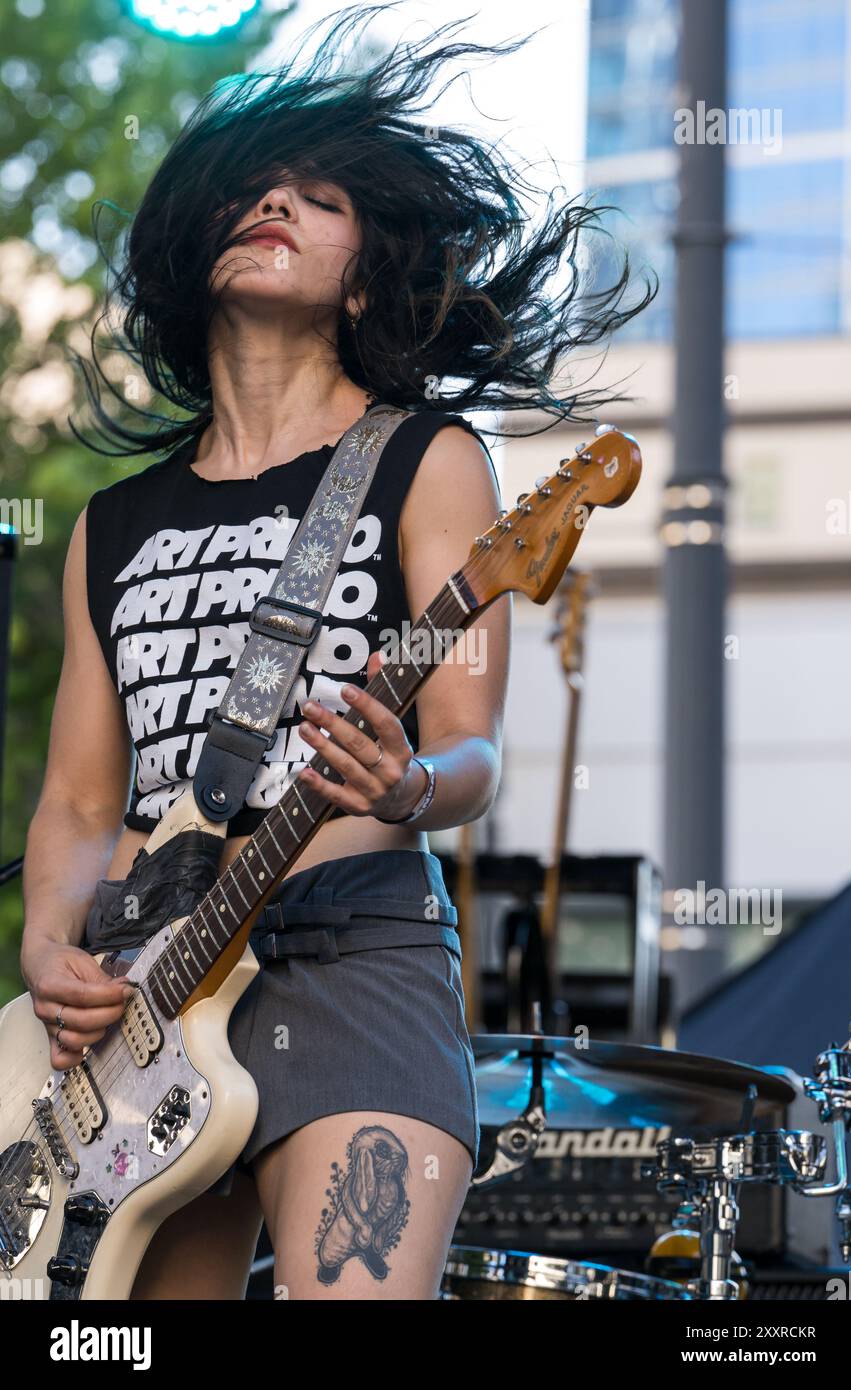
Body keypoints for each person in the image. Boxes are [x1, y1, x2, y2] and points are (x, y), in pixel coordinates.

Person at [18, 8, 653, 1300]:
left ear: (362, 279)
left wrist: (406, 784)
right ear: (193, 250)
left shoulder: (427, 461)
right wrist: (44, 946)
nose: (279, 206)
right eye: (252, 189)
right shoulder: (113, 523)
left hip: (352, 955)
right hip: (143, 1009)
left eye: (319, 198)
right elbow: (81, 799)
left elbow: (471, 745)